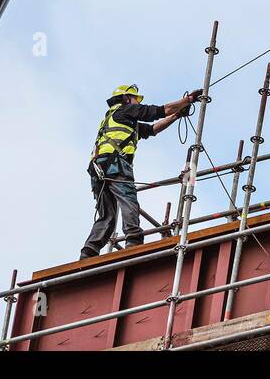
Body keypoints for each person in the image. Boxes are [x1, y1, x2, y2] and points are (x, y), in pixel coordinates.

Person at [80, 84, 201, 260]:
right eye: (135, 98)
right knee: (128, 200)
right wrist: (187, 100)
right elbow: (161, 110)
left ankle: (89, 251)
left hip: (99, 167)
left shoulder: (119, 119)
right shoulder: (126, 110)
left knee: (107, 215)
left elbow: (152, 129)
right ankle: (133, 239)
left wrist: (176, 115)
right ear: (126, 98)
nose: (137, 101)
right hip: (115, 164)